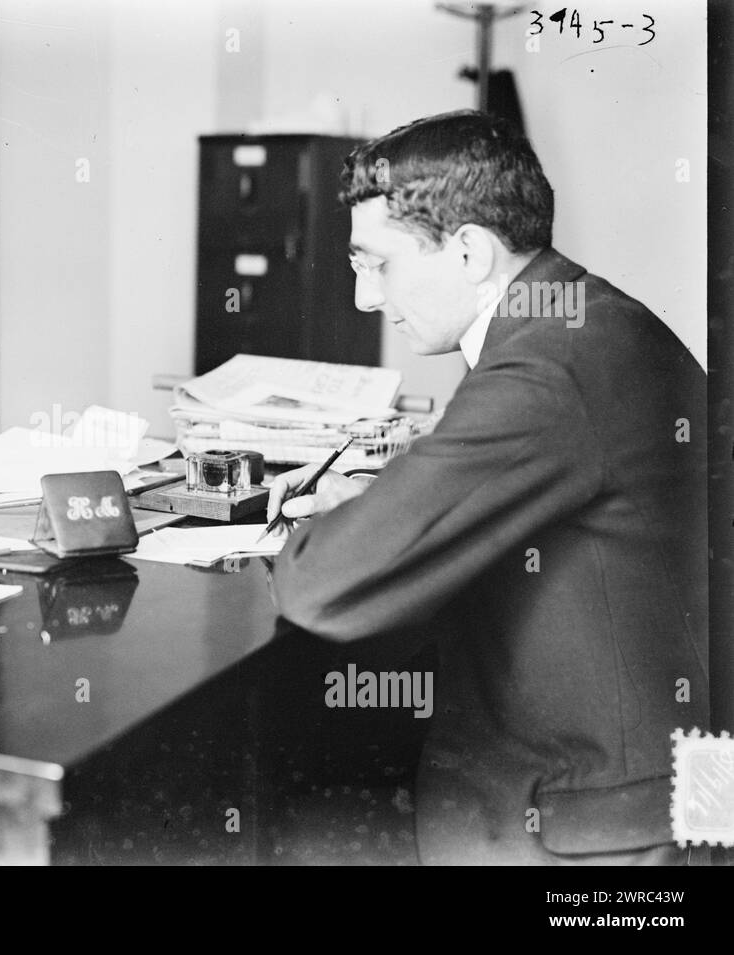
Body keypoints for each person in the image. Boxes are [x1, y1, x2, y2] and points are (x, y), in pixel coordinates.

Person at [266, 110, 708, 863]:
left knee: (286, 830)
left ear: (469, 251)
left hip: (603, 821)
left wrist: (352, 514)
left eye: (376, 263)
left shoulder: (546, 367)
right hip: (653, 777)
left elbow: (321, 586)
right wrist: (399, 500)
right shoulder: (581, 317)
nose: (365, 299)